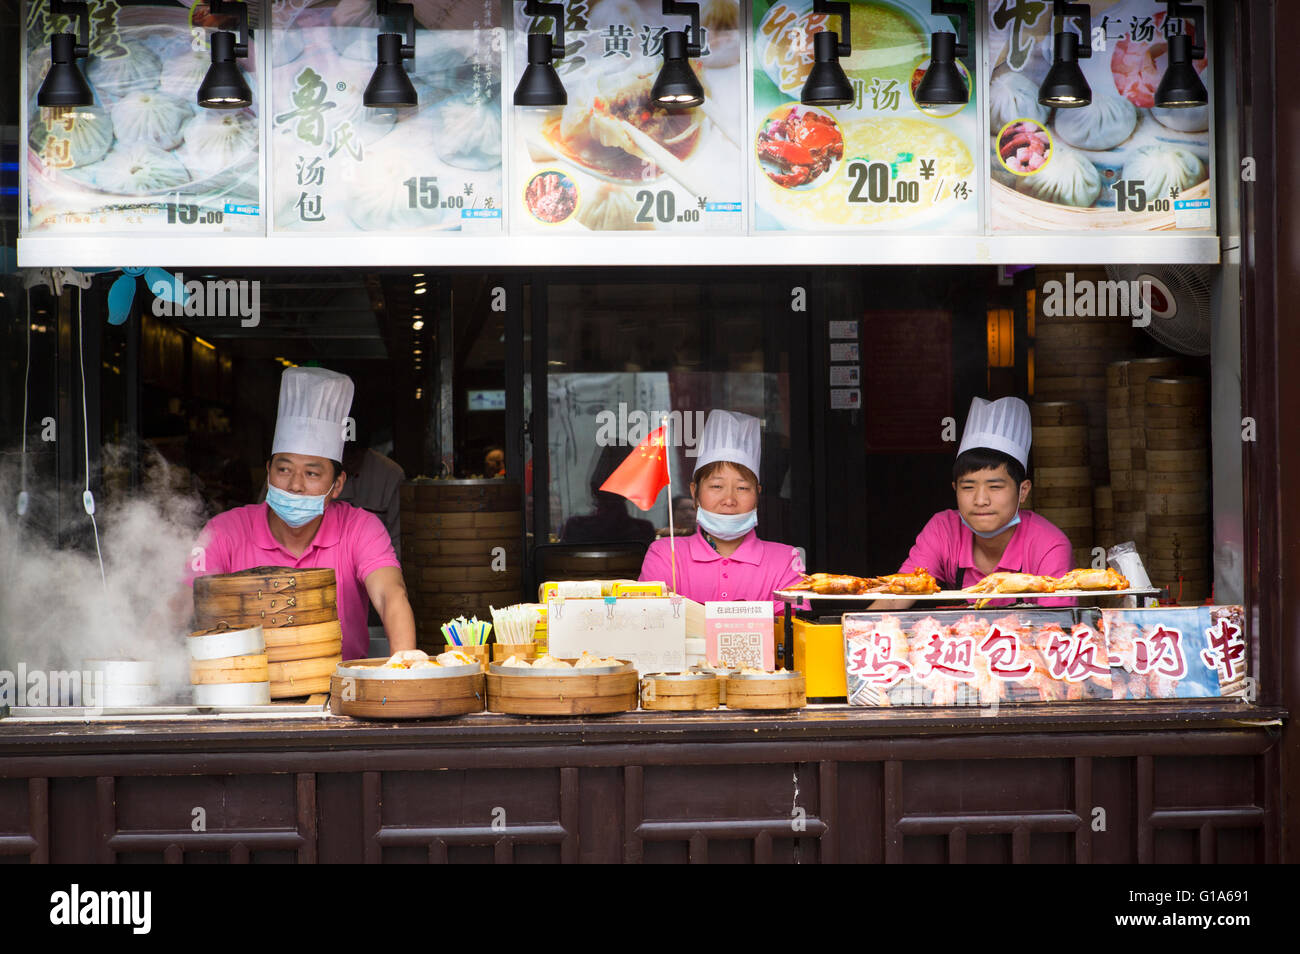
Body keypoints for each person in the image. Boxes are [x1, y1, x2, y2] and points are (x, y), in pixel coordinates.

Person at [187, 367, 416, 660]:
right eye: (284, 469)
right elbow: (182, 599)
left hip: (342, 686)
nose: (295, 485)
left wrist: (405, 665)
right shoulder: (224, 531)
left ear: (337, 485)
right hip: (243, 685)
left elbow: (390, 594)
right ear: (268, 471)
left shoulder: (361, 528)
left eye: (311, 473)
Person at [875, 396, 1073, 610]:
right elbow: (895, 597)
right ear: (955, 489)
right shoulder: (943, 529)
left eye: (995, 487)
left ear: (1023, 491)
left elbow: (1059, 622)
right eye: (968, 487)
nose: (980, 500)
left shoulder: (1049, 545)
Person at [638, 410, 803, 614]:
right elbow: (650, 621)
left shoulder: (786, 560)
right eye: (716, 486)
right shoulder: (665, 554)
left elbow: (793, 627)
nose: (729, 500)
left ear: (757, 494)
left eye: (742, 488)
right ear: (695, 492)